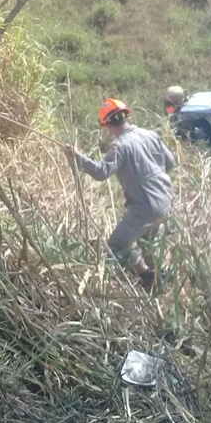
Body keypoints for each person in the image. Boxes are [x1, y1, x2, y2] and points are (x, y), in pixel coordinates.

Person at [64, 99, 175, 292]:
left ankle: (148, 276)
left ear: (106, 124)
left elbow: (101, 172)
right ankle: (157, 283)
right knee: (147, 243)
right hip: (165, 200)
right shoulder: (150, 135)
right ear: (126, 115)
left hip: (144, 206)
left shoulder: (120, 146)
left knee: (115, 247)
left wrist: (76, 156)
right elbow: (170, 163)